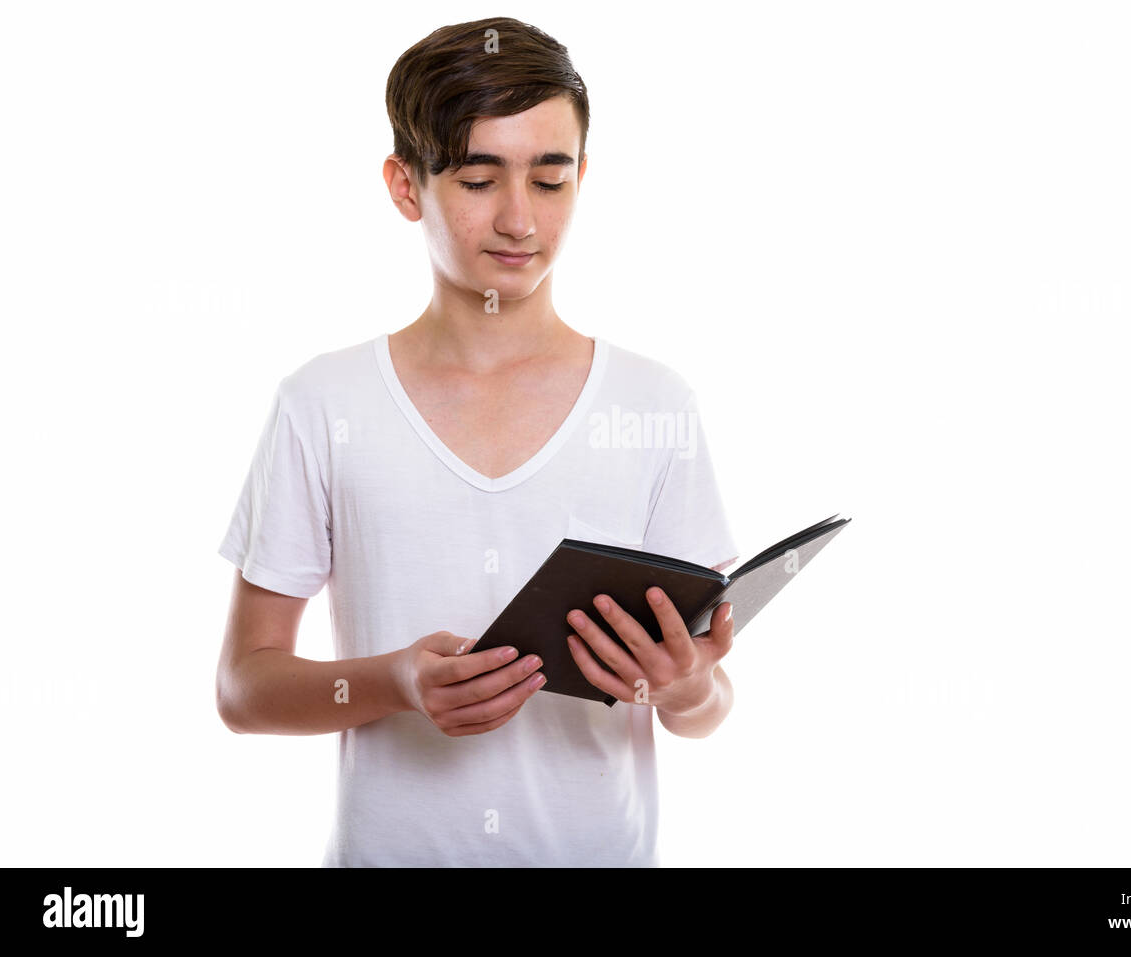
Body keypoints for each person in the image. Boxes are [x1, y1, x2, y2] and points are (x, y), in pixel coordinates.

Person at [215, 16, 740, 867]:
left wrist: (683, 687)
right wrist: (392, 683)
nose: (519, 219)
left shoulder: (654, 404)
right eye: (477, 178)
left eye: (550, 177)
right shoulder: (322, 403)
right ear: (405, 186)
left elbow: (707, 706)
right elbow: (244, 687)